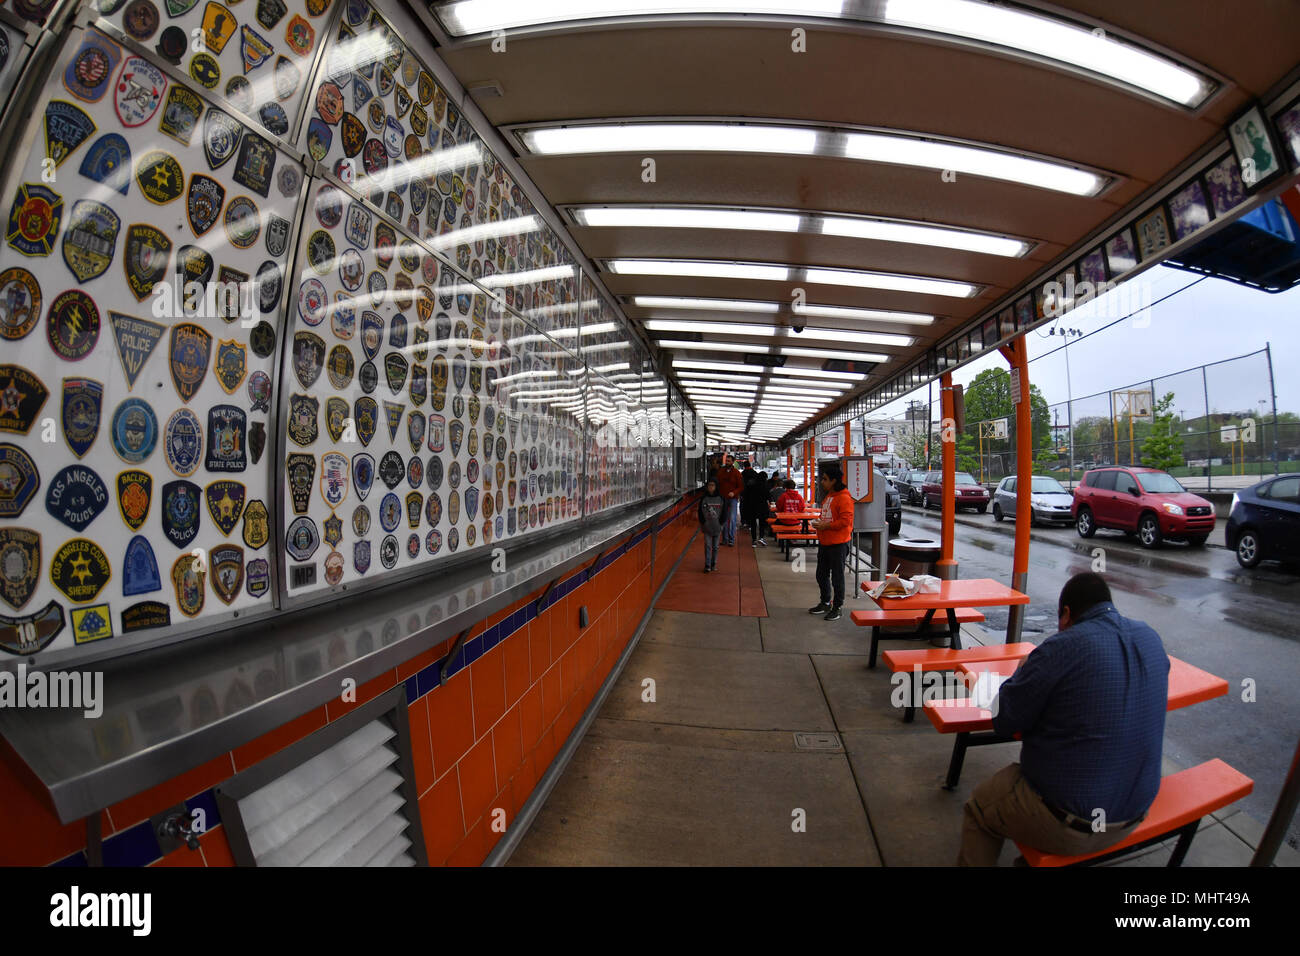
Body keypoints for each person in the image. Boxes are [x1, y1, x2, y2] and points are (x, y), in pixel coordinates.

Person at [956, 572, 1170, 866]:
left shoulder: (1061, 648)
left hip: (1073, 824)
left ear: (1067, 613)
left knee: (980, 808)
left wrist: (1022, 672)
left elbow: (1005, 720)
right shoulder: (1150, 638)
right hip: (1136, 811)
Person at [807, 463, 854, 622]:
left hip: (838, 544)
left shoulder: (844, 498)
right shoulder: (829, 496)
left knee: (837, 577)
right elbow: (829, 516)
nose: (822, 482)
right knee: (821, 574)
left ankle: (837, 606)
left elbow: (845, 522)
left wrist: (825, 525)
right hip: (825, 542)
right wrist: (821, 523)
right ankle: (825, 602)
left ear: (834, 481)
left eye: (825, 479)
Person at [715, 457, 743, 546]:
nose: (727, 462)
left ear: (733, 462)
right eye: (726, 461)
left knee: (732, 519)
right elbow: (717, 483)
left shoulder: (737, 473)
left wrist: (734, 492)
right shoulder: (721, 472)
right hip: (722, 498)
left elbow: (741, 487)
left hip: (733, 499)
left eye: (729, 461)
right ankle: (725, 539)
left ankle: (731, 539)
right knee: (723, 519)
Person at [697, 478, 724, 572]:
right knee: (708, 545)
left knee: (715, 546)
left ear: (716, 487)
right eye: (709, 485)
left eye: (713, 485)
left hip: (717, 526)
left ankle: (714, 563)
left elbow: (724, 512)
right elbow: (700, 512)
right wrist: (703, 523)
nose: (711, 487)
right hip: (707, 526)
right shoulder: (704, 499)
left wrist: (721, 523)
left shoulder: (720, 498)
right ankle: (707, 564)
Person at [742, 469, 769, 547]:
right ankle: (761, 537)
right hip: (762, 507)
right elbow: (768, 496)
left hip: (752, 507)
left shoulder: (751, 485)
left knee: (753, 524)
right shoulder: (765, 486)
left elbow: (745, 496)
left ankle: (754, 540)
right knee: (762, 524)